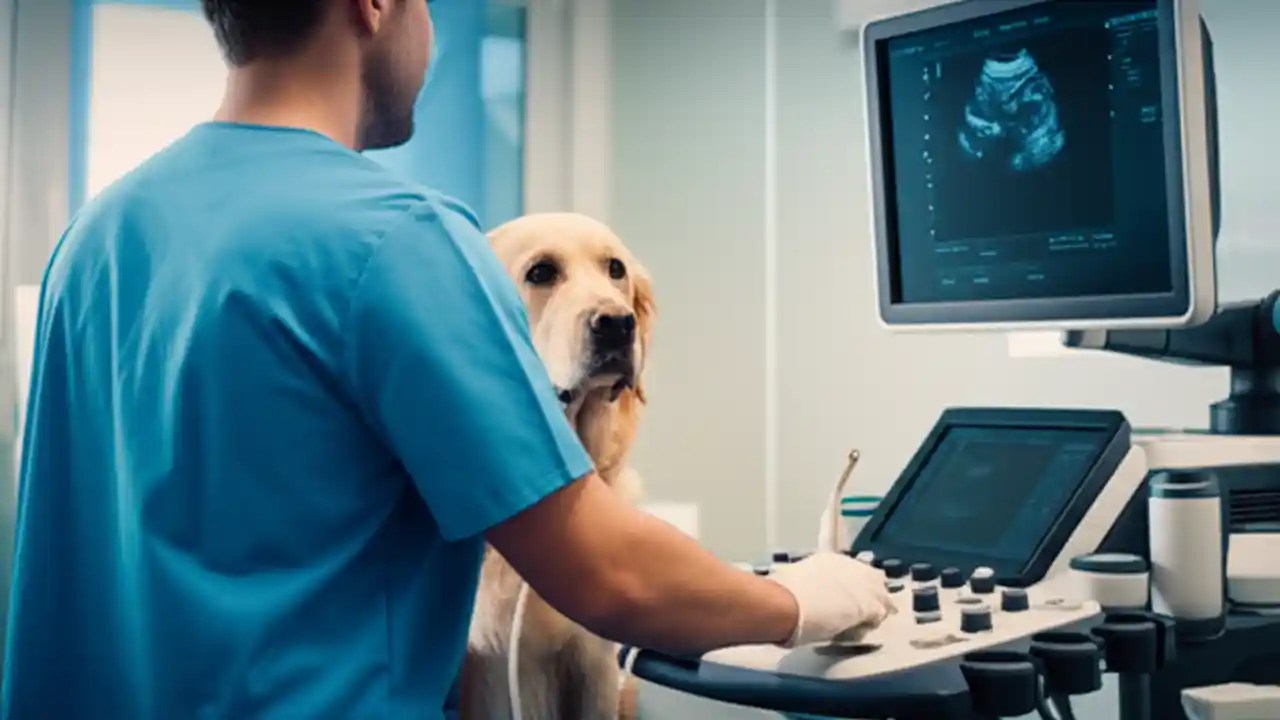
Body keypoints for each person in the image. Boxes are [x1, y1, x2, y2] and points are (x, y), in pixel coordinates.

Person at [1, 1, 893, 717]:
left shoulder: (94, 240)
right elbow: (605, 571)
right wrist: (807, 599)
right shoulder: (395, 238)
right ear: (375, 6)